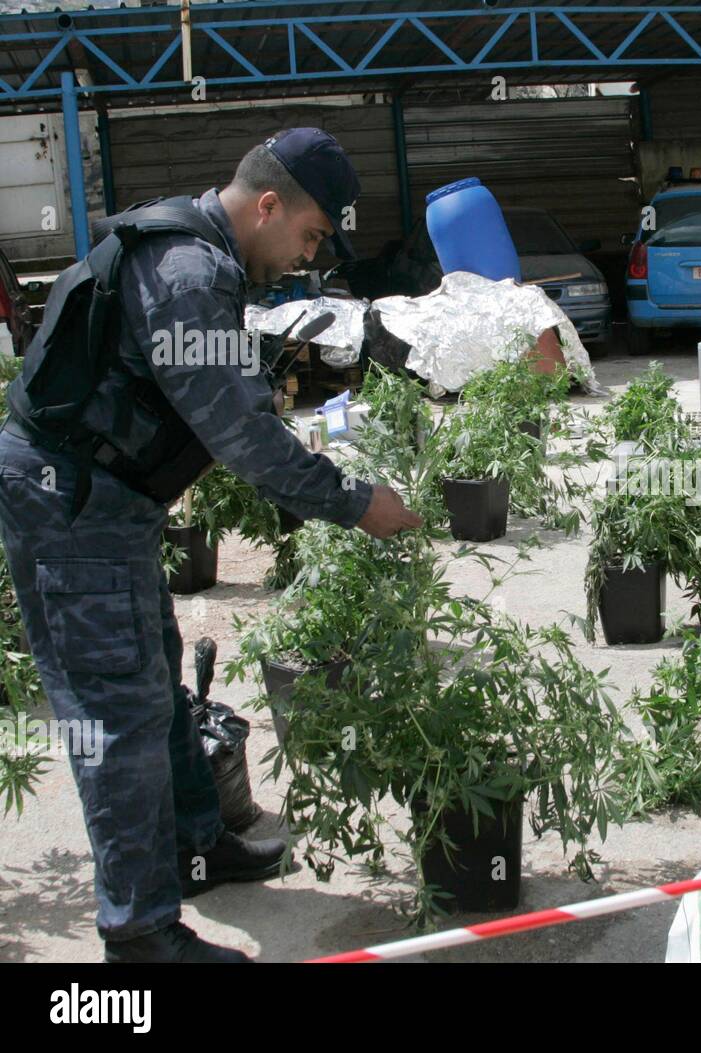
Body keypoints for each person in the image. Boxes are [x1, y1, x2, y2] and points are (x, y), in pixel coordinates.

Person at [0, 128, 422, 962]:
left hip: (110, 502)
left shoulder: (204, 258)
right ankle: (141, 937)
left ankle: (197, 843)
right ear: (267, 205)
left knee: (153, 679)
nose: (308, 259)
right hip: (71, 505)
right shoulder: (189, 272)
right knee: (117, 719)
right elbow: (239, 435)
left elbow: (222, 394)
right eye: (308, 237)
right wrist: (353, 502)